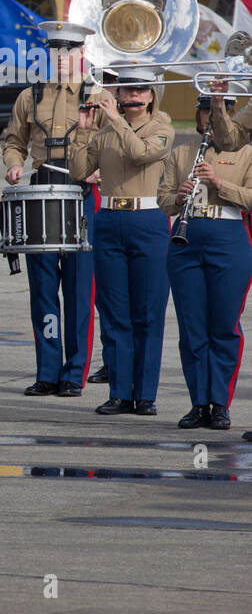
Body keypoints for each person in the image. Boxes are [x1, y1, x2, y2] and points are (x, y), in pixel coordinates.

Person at [1, 21, 99, 398]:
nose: (62, 58)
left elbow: (112, 143)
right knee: (42, 290)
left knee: (78, 290)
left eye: (69, 51)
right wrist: (12, 163)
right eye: (56, 51)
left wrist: (99, 170)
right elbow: (14, 140)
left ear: (82, 54)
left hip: (80, 194)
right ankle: (47, 370)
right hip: (41, 193)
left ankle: (74, 372)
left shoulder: (97, 95)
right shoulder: (30, 95)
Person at [69, 65, 174, 417]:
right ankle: (119, 392)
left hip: (147, 218)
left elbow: (141, 153)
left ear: (151, 95)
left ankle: (144, 394)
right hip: (110, 218)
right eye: (127, 89)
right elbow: (79, 171)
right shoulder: (104, 131)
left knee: (147, 313)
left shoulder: (162, 128)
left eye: (140, 89)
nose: (132, 95)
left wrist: (112, 119)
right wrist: (84, 132)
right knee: (114, 312)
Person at [158, 93, 252, 430]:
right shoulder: (182, 153)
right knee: (192, 326)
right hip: (187, 238)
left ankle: (220, 403)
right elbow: (163, 199)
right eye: (204, 111)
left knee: (223, 325)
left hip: (228, 236)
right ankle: (199, 402)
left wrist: (218, 183)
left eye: (219, 111)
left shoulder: (245, 153)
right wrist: (177, 196)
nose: (209, 118)